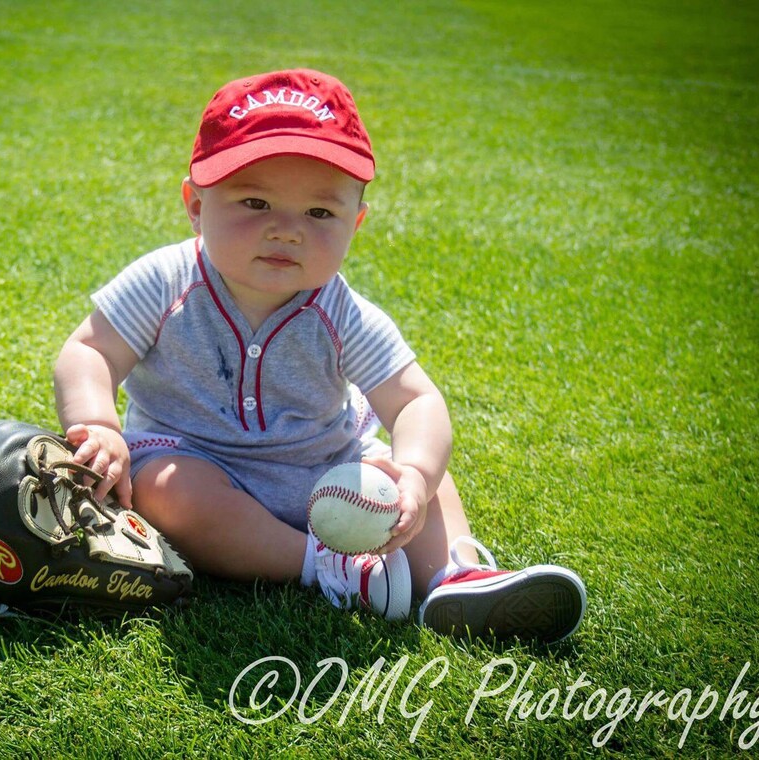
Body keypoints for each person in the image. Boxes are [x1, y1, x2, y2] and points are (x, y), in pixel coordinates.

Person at [53, 69, 586, 642]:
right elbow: (90, 350)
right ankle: (324, 568)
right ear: (195, 204)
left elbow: (415, 402)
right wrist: (97, 424)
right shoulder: (165, 281)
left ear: (355, 223)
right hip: (197, 456)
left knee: (427, 479)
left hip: (326, 466)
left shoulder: (341, 311)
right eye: (255, 202)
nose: (286, 231)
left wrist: (414, 473)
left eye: (319, 214)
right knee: (171, 496)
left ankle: (455, 577)